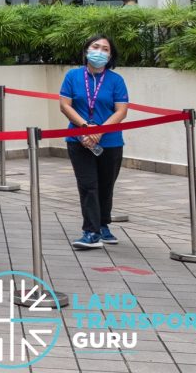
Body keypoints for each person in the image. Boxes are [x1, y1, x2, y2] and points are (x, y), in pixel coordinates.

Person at [59, 34, 129, 250]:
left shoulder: (116, 80)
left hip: (110, 142)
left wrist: (99, 131)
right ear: (86, 50)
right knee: (88, 185)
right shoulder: (72, 76)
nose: (99, 52)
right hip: (78, 140)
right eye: (95, 47)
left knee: (106, 186)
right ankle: (91, 231)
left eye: (105, 49)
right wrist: (84, 127)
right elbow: (65, 105)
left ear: (110, 55)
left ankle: (103, 225)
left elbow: (121, 110)